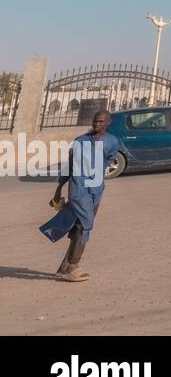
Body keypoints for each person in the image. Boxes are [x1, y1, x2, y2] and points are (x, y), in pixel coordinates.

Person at [40, 110, 121, 281]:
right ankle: (73, 266)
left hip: (96, 190)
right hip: (78, 190)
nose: (96, 125)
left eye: (100, 122)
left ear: (108, 122)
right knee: (86, 226)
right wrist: (59, 187)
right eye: (94, 122)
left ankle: (64, 267)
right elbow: (69, 166)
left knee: (78, 226)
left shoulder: (112, 141)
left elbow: (110, 159)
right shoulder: (80, 141)